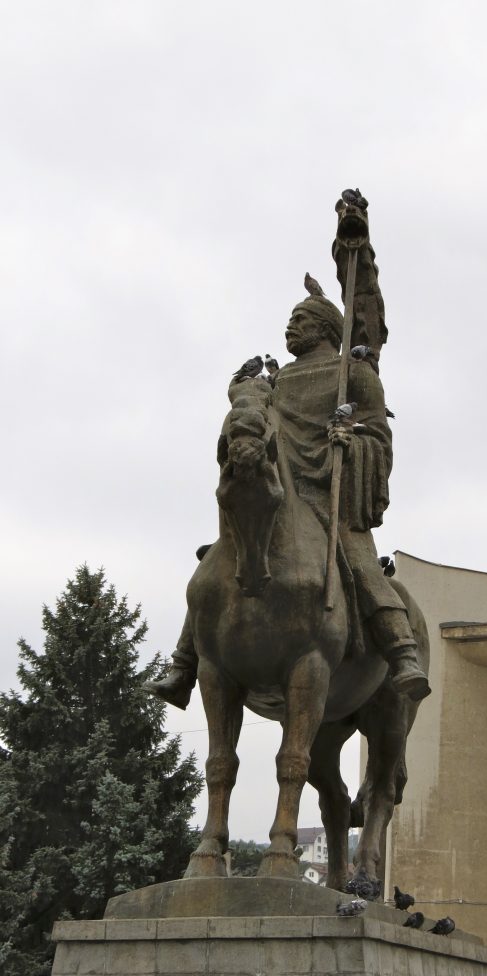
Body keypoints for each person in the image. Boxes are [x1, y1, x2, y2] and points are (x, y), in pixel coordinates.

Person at [146, 209, 430, 708]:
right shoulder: (274, 384)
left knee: (360, 560)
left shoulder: (352, 373)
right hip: (275, 496)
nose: (289, 329)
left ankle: (403, 652)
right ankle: (183, 665)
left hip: (328, 498)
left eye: (299, 321)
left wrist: (352, 439)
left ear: (324, 326)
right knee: (215, 565)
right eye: (288, 322)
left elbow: (379, 438)